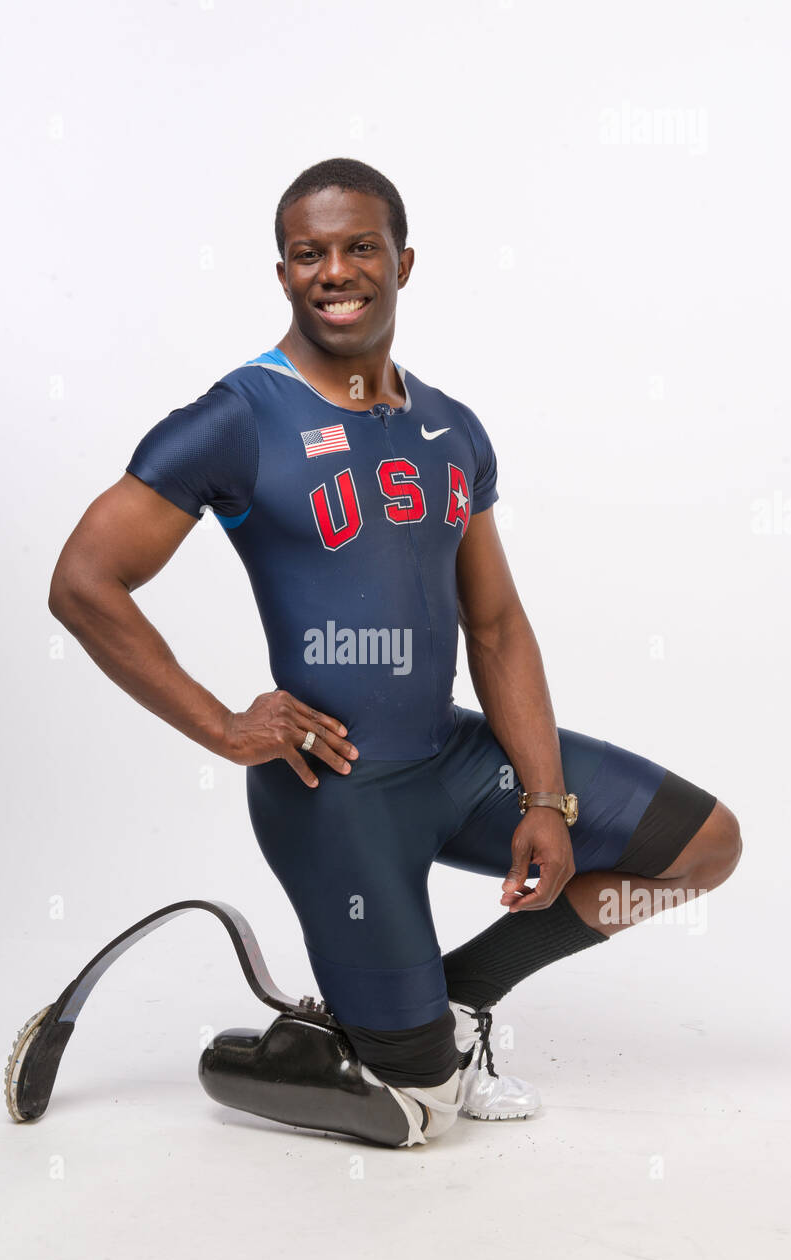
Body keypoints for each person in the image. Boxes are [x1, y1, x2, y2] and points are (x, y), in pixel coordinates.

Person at [48, 157, 742, 1147]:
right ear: (284, 273)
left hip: (452, 761)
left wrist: (543, 799)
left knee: (701, 848)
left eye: (359, 246)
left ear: (402, 262)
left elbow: (495, 623)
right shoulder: (239, 416)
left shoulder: (449, 427)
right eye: (308, 253)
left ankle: (450, 999)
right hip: (334, 786)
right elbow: (82, 580)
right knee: (417, 1110)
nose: (335, 270)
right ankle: (283, 1056)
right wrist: (220, 723)